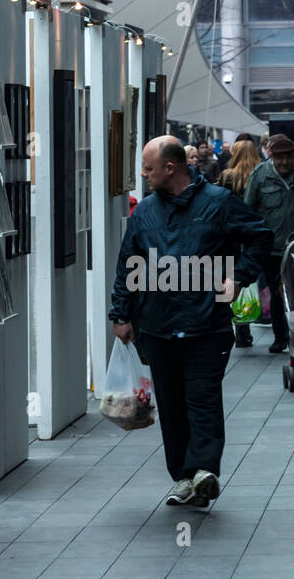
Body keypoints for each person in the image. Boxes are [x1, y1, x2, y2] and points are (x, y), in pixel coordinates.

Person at [110, 136, 272, 508]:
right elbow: (127, 266)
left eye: (148, 168)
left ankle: (202, 470)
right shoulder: (145, 212)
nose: (143, 173)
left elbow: (260, 237)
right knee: (171, 405)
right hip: (157, 326)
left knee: (202, 399)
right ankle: (184, 477)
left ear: (171, 168)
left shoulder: (218, 203)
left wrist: (239, 276)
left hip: (206, 325)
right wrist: (120, 314)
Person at [244, 133, 294, 353]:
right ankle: (280, 336)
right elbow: (249, 210)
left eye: (288, 157)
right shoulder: (260, 175)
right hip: (272, 247)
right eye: (280, 158)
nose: (285, 162)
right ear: (271, 156)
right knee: (277, 294)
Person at [220, 139, 264, 347]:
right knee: (256, 279)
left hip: (232, 236)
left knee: (231, 279)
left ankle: (240, 329)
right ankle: (262, 317)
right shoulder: (260, 173)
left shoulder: (228, 176)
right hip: (254, 233)